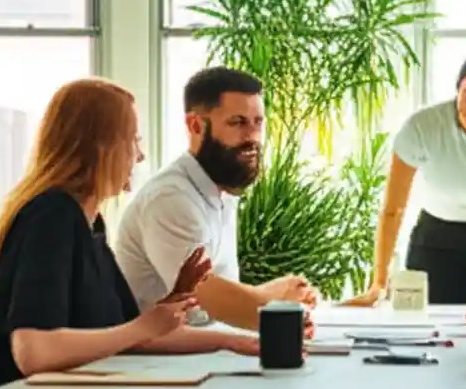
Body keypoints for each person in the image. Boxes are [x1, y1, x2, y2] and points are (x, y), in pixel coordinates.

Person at [0, 78, 259, 389]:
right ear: (100, 147)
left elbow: (138, 335)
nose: (140, 156)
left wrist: (233, 341)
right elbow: (35, 351)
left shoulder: (90, 223)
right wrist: (143, 327)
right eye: (134, 141)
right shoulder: (51, 217)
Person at [342, 42, 466, 306]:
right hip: (433, 242)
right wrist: (378, 284)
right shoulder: (422, 126)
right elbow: (393, 210)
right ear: (458, 86)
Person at [115, 67, 317, 334]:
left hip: (195, 353)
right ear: (196, 125)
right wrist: (286, 312)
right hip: (155, 362)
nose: (253, 137)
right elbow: (210, 303)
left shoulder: (221, 188)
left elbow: (213, 302)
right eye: (237, 122)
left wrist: (279, 291)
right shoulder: (171, 198)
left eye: (258, 122)